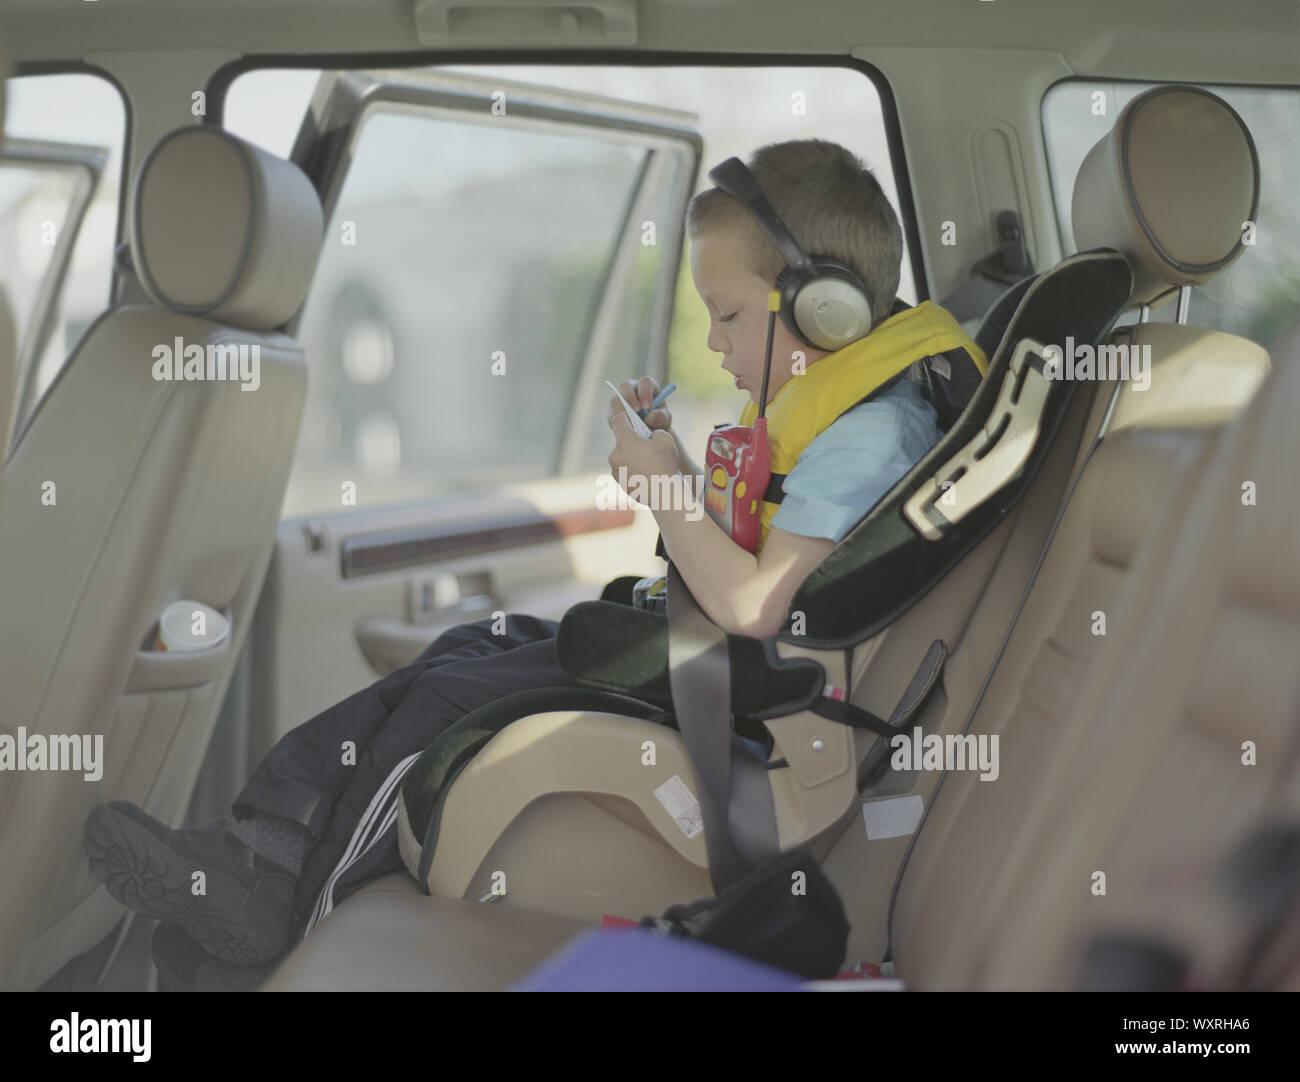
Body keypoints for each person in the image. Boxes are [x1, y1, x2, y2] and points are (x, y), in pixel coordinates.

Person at [82, 137, 984, 990]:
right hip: (721, 664)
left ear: (826, 306)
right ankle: (256, 847)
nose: (713, 344)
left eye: (729, 315)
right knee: (471, 645)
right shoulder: (850, 410)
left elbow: (757, 605)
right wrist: (670, 467)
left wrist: (668, 492)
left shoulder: (874, 434)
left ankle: (282, 922)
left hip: (757, 700)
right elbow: (773, 560)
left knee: (445, 702)